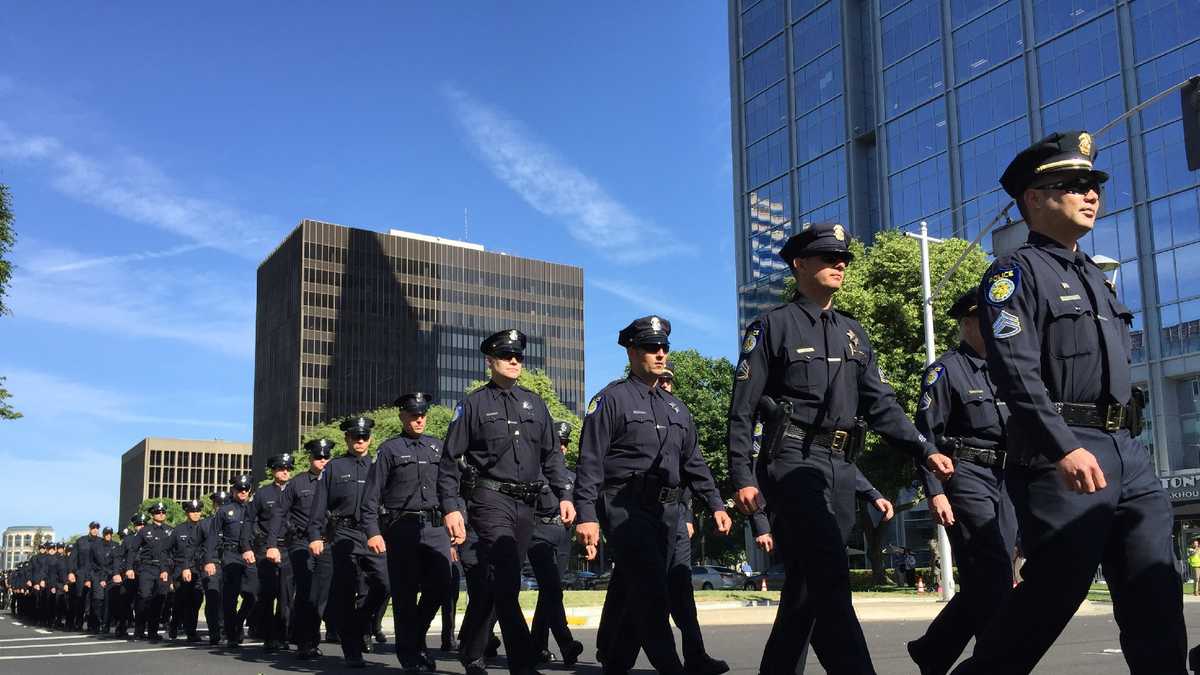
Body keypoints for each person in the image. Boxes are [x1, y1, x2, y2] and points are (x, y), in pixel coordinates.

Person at [950, 130, 1186, 673]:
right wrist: (1062, 447)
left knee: (1155, 587)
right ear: (1034, 198)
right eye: (1073, 185)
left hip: (1128, 451)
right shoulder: (1014, 274)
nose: (1091, 195)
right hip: (1065, 452)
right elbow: (1015, 371)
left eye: (1093, 185)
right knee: (1053, 593)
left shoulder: (1098, 280)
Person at [727, 221, 954, 674]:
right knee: (830, 575)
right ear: (799, 264)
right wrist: (742, 476)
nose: (839, 265)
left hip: (839, 468)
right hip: (791, 463)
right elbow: (742, 409)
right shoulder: (772, 327)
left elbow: (881, 404)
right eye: (829, 257)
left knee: (806, 589)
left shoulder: (854, 333)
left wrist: (922, 448)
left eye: (844, 259)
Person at [575, 315, 733, 675]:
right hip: (626, 506)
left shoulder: (676, 407)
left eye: (664, 347)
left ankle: (616, 663)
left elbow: (694, 462)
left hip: (670, 512)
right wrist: (586, 514)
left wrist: (715, 504)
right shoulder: (610, 400)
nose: (660, 353)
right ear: (632, 351)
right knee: (649, 591)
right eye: (651, 347)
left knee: (656, 590)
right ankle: (671, 667)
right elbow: (590, 461)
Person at [439, 328, 575, 675]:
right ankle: (523, 661)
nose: (515, 361)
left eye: (519, 356)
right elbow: (450, 459)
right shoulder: (473, 404)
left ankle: (471, 649)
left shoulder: (535, 403)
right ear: (490, 361)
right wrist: (452, 507)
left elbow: (552, 457)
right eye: (506, 355)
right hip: (489, 498)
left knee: (495, 582)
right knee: (508, 579)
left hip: (526, 504)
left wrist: (564, 494)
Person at [905, 289, 1018, 673]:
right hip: (964, 476)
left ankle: (933, 649)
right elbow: (926, 438)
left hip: (1005, 478)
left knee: (989, 577)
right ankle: (994, 661)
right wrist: (935, 492)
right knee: (994, 572)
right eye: (986, 318)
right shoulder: (945, 371)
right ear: (968, 323)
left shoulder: (1007, 367)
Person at [361, 392, 452, 674]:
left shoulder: (439, 447)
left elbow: (452, 487)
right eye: (413, 415)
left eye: (423, 415)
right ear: (402, 416)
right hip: (402, 528)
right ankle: (409, 653)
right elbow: (371, 497)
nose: (419, 419)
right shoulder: (389, 450)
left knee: (442, 587)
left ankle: (416, 638)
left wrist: (457, 518)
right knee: (405, 594)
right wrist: (373, 531)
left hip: (436, 528)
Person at [307, 416, 390, 668]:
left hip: (372, 534)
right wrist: (314, 535)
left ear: (370, 439)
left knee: (385, 584)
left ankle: (361, 622)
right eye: (356, 437)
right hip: (342, 535)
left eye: (364, 437)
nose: (360, 441)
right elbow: (319, 505)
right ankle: (351, 649)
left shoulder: (379, 465)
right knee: (343, 593)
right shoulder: (334, 467)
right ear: (347, 439)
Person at [268, 438, 334, 660]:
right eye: (318, 457)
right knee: (305, 591)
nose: (323, 460)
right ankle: (306, 642)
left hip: (327, 543)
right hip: (301, 543)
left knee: (322, 594)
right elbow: (278, 513)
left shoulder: (335, 480)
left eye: (326, 457)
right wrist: (272, 544)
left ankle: (308, 635)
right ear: (310, 458)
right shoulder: (297, 483)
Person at [527, 421, 584, 667]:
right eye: (556, 443)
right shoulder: (533, 474)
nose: (560, 448)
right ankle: (565, 643)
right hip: (537, 533)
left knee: (549, 593)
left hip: (562, 535)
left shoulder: (572, 477)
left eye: (564, 444)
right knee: (552, 590)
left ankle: (536, 645)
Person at [242, 453, 293, 652]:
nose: (285, 472)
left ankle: (283, 634)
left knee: (286, 595)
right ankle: (269, 636)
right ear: (273, 471)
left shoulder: (295, 490)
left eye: (288, 468)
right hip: (266, 549)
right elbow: (248, 520)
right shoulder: (263, 494)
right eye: (281, 468)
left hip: (289, 547)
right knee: (267, 594)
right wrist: (247, 547)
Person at [212, 474, 258, 648]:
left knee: (254, 594)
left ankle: (239, 622)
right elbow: (213, 535)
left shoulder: (254, 508)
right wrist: (210, 559)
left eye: (246, 489)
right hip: (231, 555)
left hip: (250, 555)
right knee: (230, 597)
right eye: (240, 489)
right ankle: (231, 633)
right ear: (233, 490)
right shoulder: (225, 510)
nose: (243, 492)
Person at [125, 502, 172, 642]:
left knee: (159, 601)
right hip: (147, 568)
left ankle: (153, 632)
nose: (161, 514)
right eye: (158, 512)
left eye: (163, 512)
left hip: (163, 570)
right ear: (153, 515)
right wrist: (129, 568)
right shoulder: (144, 531)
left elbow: (173, 552)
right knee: (144, 598)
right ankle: (139, 631)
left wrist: (169, 571)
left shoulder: (170, 531)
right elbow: (133, 550)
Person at [169, 499, 205, 643]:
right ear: (187, 512)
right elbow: (169, 551)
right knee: (181, 600)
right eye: (192, 511)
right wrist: (171, 573)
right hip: (180, 569)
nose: (196, 514)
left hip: (198, 569)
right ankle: (174, 625)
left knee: (196, 600)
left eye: (198, 511)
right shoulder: (178, 530)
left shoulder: (205, 527)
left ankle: (191, 632)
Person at [197, 490, 228, 645]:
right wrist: (203, 564)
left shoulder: (233, 521)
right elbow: (195, 547)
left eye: (224, 503)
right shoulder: (204, 524)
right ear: (214, 505)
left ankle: (226, 630)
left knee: (227, 599)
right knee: (213, 598)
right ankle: (215, 631)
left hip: (229, 564)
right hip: (211, 565)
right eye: (218, 504)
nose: (221, 506)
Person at [67, 521, 100, 631]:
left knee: (94, 600)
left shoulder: (101, 542)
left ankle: (93, 624)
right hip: (81, 573)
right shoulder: (81, 541)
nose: (95, 529)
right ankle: (79, 622)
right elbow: (72, 558)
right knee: (80, 599)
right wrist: (71, 572)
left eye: (97, 528)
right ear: (89, 529)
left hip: (95, 574)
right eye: (93, 527)